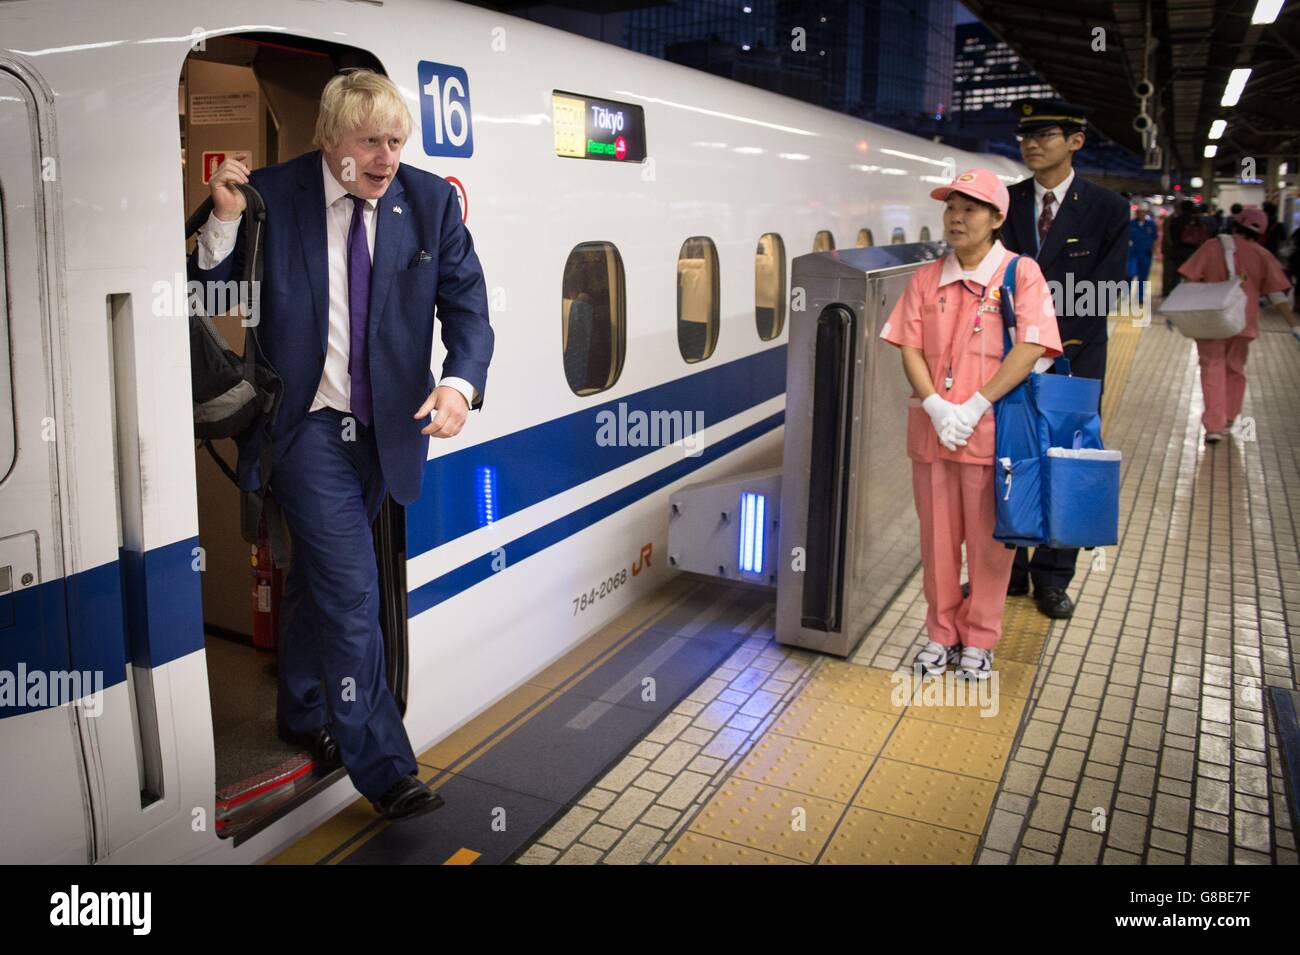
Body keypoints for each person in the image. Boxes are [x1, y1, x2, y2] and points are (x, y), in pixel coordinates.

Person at [191, 69, 495, 820]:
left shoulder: (428, 203)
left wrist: (460, 382)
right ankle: (384, 766)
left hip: (389, 432)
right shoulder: (270, 194)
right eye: (371, 142)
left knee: (315, 580)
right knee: (354, 591)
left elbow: (468, 304)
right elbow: (210, 295)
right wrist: (223, 221)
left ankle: (300, 708)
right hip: (306, 429)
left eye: (397, 141)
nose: (387, 157)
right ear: (330, 139)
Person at [881, 168, 1063, 680]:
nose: (957, 219)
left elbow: (1030, 346)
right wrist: (937, 406)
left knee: (990, 546)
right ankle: (941, 634)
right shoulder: (925, 277)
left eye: (970, 209)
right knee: (937, 542)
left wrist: (976, 404)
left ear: (997, 218)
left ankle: (980, 639)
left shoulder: (1019, 274)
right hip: (934, 433)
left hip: (993, 434)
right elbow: (909, 346)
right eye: (951, 208)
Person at [999, 98, 1128, 619]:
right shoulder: (1003, 202)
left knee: (1066, 459)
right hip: (1005, 356)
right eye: (1025, 135)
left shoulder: (1108, 207)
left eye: (1045, 134)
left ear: (1076, 140)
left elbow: (1107, 287)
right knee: (1008, 458)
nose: (1032, 143)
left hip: (1073, 358)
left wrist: (1046, 347)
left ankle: (1054, 578)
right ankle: (1008, 568)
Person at [1178, 206, 1296, 443]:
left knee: (1212, 367)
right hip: (1243, 321)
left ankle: (1214, 426)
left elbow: (1188, 278)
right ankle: (1230, 416)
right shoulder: (1262, 255)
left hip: (1212, 320)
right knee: (1235, 369)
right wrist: (1294, 326)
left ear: (1234, 224)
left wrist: (1179, 308)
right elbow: (1277, 295)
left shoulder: (1212, 247)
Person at [1128, 203, 1157, 306]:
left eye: (1144, 212)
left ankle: (1140, 297)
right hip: (1132, 254)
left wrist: (1155, 252)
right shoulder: (1131, 224)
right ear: (1137, 213)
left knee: (1143, 277)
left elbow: (1154, 239)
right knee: (1129, 275)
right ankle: (1126, 296)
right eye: (1140, 212)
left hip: (1146, 254)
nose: (1142, 214)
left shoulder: (1151, 224)